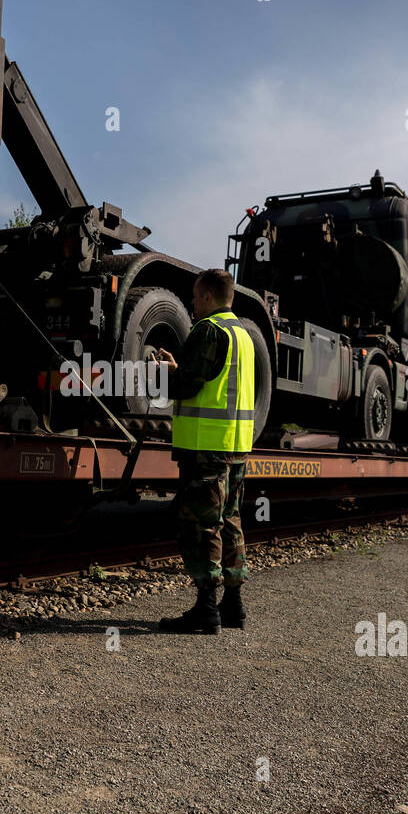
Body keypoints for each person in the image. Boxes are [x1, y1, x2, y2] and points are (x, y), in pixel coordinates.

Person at [153, 269, 255, 634]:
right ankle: (234, 605)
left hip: (206, 449)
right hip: (236, 446)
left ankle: (206, 609)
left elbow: (186, 386)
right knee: (231, 521)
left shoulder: (208, 331)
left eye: (195, 298)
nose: (192, 305)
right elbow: (216, 382)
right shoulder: (242, 335)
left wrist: (165, 372)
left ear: (209, 297)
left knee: (202, 526)